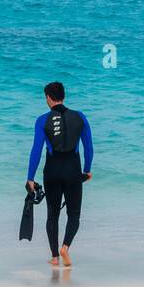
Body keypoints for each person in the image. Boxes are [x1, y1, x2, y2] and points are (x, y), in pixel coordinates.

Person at [25, 82, 93, 267]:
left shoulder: (42, 120)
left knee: (52, 215)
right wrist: (86, 170)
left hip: (52, 171)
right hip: (72, 170)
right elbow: (88, 146)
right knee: (74, 215)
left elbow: (36, 151)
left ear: (48, 97)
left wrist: (30, 177)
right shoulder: (80, 117)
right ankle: (65, 247)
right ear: (64, 96)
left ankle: (55, 257)